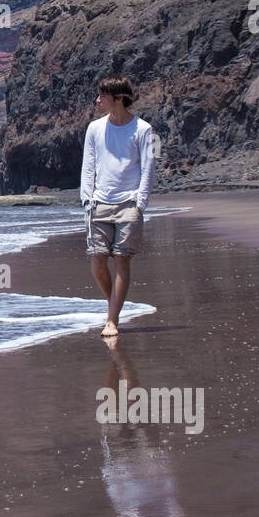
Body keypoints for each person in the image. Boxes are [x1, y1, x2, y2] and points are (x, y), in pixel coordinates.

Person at [80, 76, 155, 337]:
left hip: (129, 205)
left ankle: (112, 319)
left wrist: (140, 203)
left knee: (122, 261)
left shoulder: (143, 129)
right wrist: (87, 199)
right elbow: (88, 166)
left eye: (102, 95)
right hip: (99, 204)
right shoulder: (94, 129)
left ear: (118, 98)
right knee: (98, 262)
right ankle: (114, 305)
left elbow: (148, 168)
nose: (97, 100)